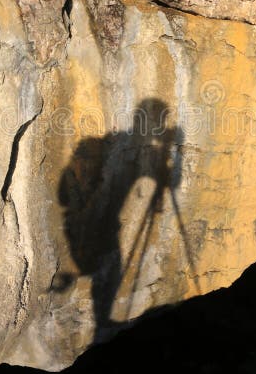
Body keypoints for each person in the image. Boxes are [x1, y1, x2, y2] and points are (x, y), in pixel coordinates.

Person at [57, 98, 181, 340]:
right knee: (106, 267)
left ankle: (100, 321)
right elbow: (172, 184)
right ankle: (100, 323)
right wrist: (173, 150)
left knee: (104, 267)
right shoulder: (137, 145)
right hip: (95, 224)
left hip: (81, 222)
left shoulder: (118, 143)